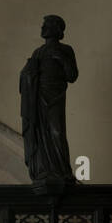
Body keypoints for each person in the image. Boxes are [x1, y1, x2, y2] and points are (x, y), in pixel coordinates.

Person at [20, 14, 78, 183]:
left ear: (57, 29)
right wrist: (27, 73)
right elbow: (26, 75)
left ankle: (62, 171)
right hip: (37, 97)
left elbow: (72, 75)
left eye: (46, 25)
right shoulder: (38, 52)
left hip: (55, 96)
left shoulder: (66, 50)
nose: (42, 28)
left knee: (57, 131)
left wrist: (60, 58)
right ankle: (42, 170)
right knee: (39, 132)